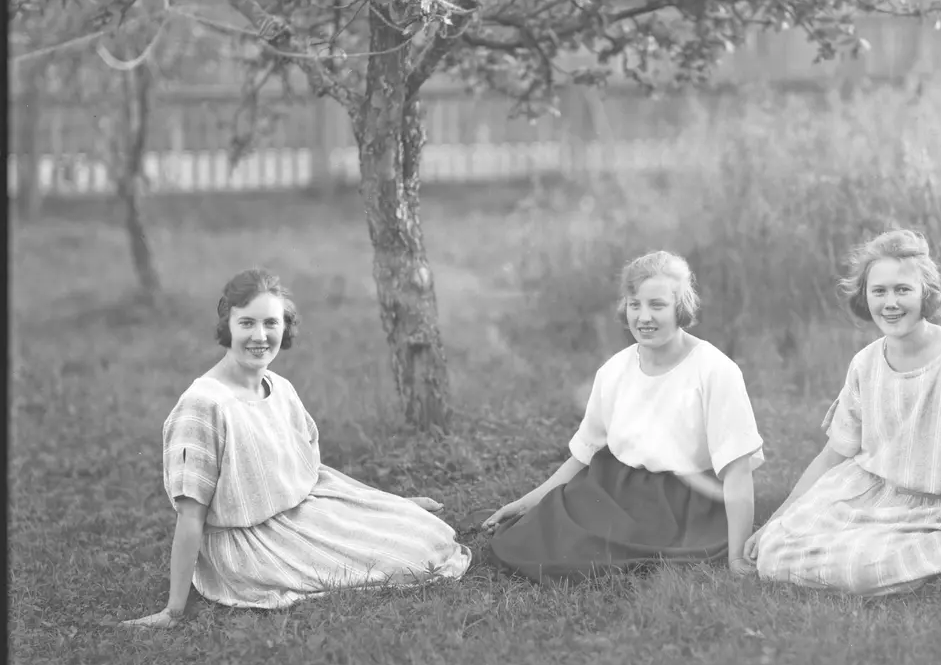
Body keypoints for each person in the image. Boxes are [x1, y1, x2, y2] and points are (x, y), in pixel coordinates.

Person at [122, 268, 471, 628]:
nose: (260, 336)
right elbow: (190, 515)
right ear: (227, 326)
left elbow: (311, 474)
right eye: (247, 323)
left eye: (271, 323)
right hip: (252, 545)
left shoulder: (278, 387)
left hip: (300, 512)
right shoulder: (203, 406)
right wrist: (173, 611)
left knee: (430, 534)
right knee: (412, 559)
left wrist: (388, 504)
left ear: (284, 327)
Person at [745, 229, 941, 597]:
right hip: (869, 494)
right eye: (879, 291)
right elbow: (833, 454)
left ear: (926, 293)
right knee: (775, 549)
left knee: (863, 569)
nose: (890, 303)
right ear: (865, 297)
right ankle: (864, 550)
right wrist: (778, 519)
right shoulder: (866, 363)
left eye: (902, 290)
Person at [482, 250, 765, 584]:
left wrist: (735, 557)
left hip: (686, 501)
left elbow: (737, 471)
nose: (644, 317)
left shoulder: (716, 371)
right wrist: (526, 503)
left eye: (657, 305)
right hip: (617, 490)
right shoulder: (614, 370)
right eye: (635, 305)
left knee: (589, 558)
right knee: (533, 544)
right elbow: (583, 456)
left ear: (680, 307)